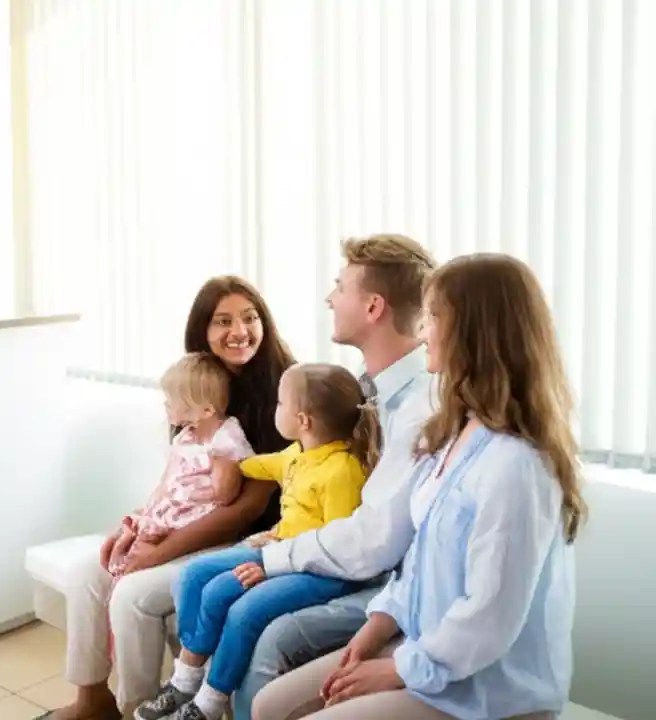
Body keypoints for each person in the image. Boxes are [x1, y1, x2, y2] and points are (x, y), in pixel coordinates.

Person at [252, 252, 583, 719]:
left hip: (487, 687)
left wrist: (398, 669)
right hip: (426, 648)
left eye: (432, 317)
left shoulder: (516, 466)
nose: (421, 331)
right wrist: (376, 627)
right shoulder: (452, 431)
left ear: (474, 333)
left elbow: (489, 616)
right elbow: (420, 564)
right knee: (270, 705)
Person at [41, 276, 296, 720]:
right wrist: (133, 525)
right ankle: (92, 701)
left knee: (132, 592)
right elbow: (174, 481)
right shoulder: (195, 387)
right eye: (223, 321)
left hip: (245, 538)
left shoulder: (283, 392)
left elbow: (247, 509)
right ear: (202, 331)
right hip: (186, 526)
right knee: (88, 572)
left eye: (250, 317)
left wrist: (158, 553)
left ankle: (138, 708)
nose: (240, 330)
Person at [232, 235, 437, 718]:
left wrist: (278, 555)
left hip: (390, 581)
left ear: (373, 306)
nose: (329, 298)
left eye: (339, 286)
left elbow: (376, 542)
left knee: (273, 636)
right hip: (385, 579)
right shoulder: (377, 392)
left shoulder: (421, 407)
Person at [136, 363, 380, 720]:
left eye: (279, 404)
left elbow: (337, 544)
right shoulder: (297, 453)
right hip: (277, 549)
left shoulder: (342, 471)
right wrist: (214, 448)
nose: (272, 410)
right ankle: (188, 678)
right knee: (192, 575)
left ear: (303, 420)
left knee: (236, 604)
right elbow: (252, 466)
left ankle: (209, 703)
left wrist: (271, 568)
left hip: (319, 569)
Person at [106, 353, 256, 577]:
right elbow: (166, 482)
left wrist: (220, 459)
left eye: (173, 401)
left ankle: (137, 563)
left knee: (138, 560)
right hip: (174, 511)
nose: (166, 405)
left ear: (206, 410)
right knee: (129, 544)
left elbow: (226, 495)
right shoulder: (185, 437)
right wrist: (150, 510)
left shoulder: (225, 438)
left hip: (197, 518)